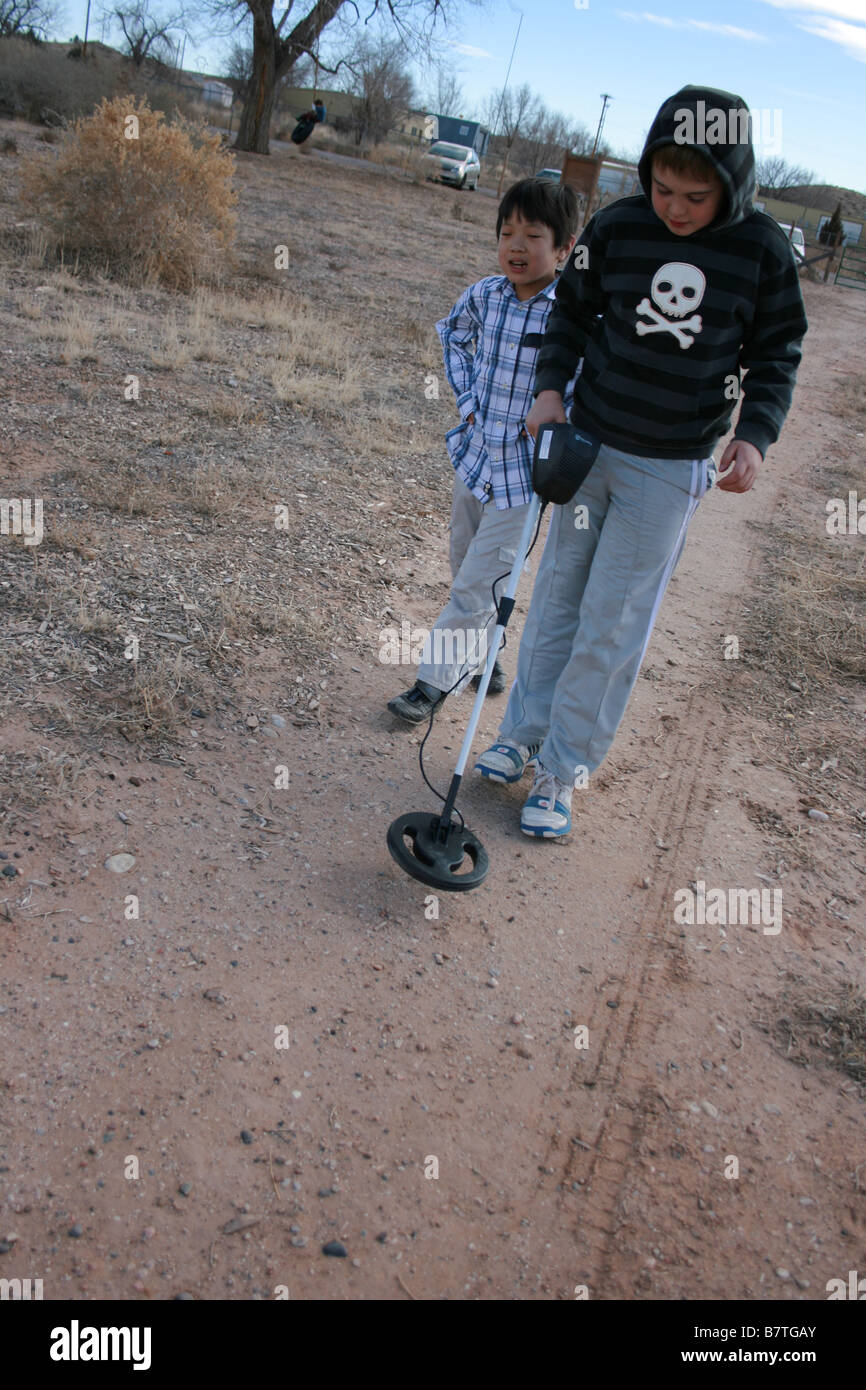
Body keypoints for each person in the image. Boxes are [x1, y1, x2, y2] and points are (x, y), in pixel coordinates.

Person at [474, 85, 808, 837]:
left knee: (611, 619)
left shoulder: (760, 250)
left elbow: (778, 350)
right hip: (588, 444)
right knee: (559, 596)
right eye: (663, 188)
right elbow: (571, 311)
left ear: (735, 183)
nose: (676, 209)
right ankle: (519, 739)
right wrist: (552, 389)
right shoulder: (619, 227)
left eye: (697, 195)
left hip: (670, 467)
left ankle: (563, 771)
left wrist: (755, 432)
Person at [388, 177, 579, 723]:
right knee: (464, 565)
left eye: (533, 236)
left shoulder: (566, 313)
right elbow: (451, 333)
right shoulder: (485, 294)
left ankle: (430, 684)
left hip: (522, 481)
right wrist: (468, 398)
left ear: (564, 248)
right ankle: (483, 656)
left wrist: (557, 419)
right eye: (506, 233)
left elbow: (581, 377)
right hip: (474, 461)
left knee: (479, 582)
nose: (516, 247)